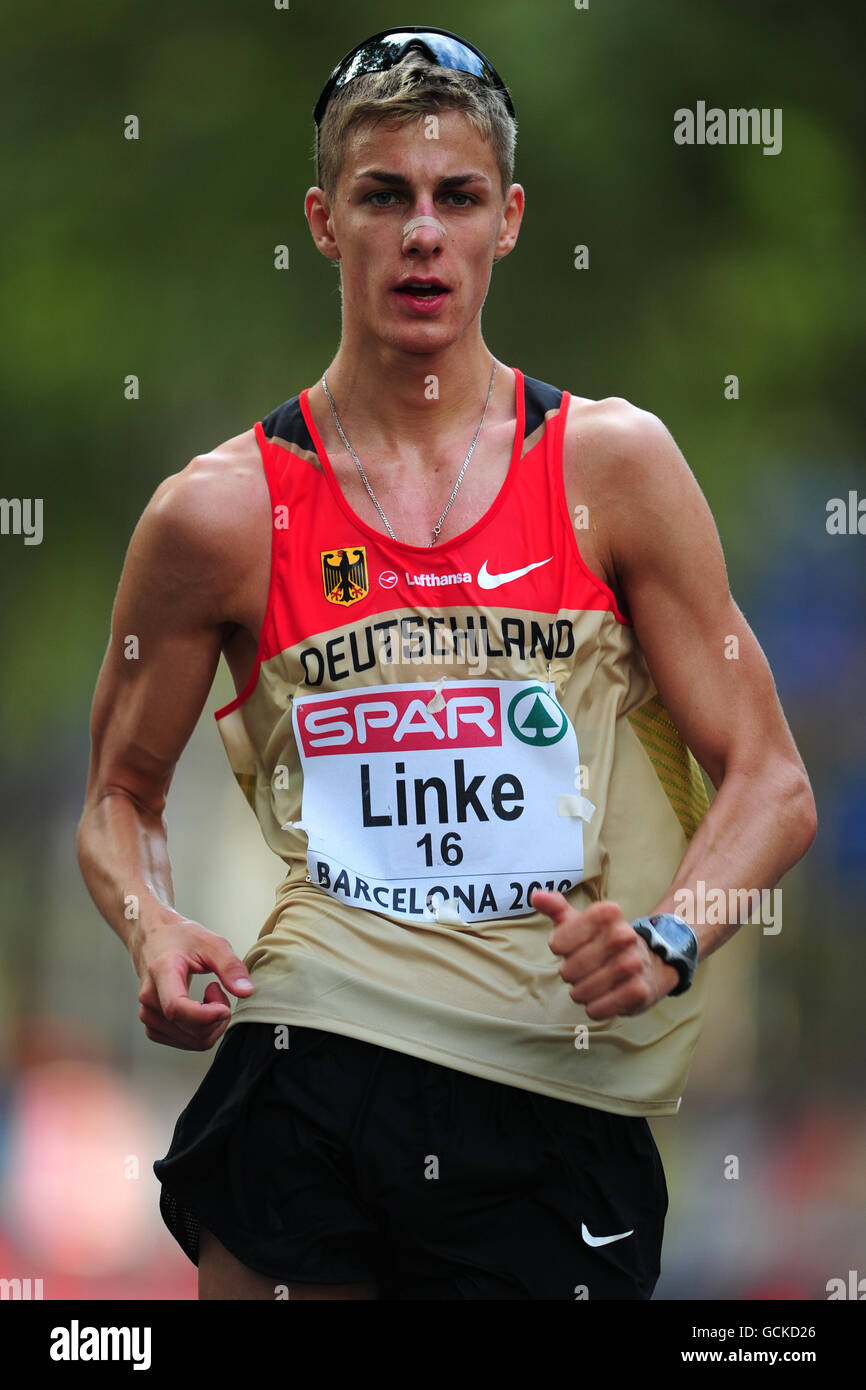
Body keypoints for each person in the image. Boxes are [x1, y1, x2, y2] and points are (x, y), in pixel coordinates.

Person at [76, 26, 816, 1301]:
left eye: (454, 197)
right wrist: (151, 927)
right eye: (383, 196)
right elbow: (115, 798)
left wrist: (670, 938)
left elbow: (769, 782)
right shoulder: (218, 516)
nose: (421, 232)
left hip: (545, 1074)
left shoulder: (610, 467)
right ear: (323, 220)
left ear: (507, 220)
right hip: (311, 1047)